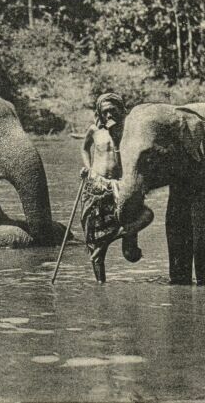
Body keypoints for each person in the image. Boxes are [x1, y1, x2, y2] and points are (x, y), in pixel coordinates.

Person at [79, 93, 142, 277]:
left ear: (121, 111)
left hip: (120, 185)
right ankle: (100, 286)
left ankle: (118, 236)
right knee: (95, 247)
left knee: (132, 251)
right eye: (105, 112)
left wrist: (116, 137)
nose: (109, 116)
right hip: (97, 185)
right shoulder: (94, 130)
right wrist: (88, 168)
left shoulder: (127, 131)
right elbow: (84, 148)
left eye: (112, 111)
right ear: (99, 113)